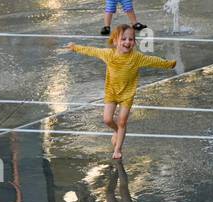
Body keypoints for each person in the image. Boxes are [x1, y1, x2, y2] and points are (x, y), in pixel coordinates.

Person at [66, 26, 176, 160]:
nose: (127, 42)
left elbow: (153, 61)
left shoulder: (136, 57)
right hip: (111, 92)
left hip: (127, 94)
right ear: (115, 41)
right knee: (107, 120)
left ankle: (118, 149)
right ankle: (117, 130)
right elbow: (92, 51)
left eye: (131, 39)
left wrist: (168, 64)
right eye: (123, 39)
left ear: (134, 43)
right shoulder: (109, 54)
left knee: (122, 121)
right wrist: (76, 47)